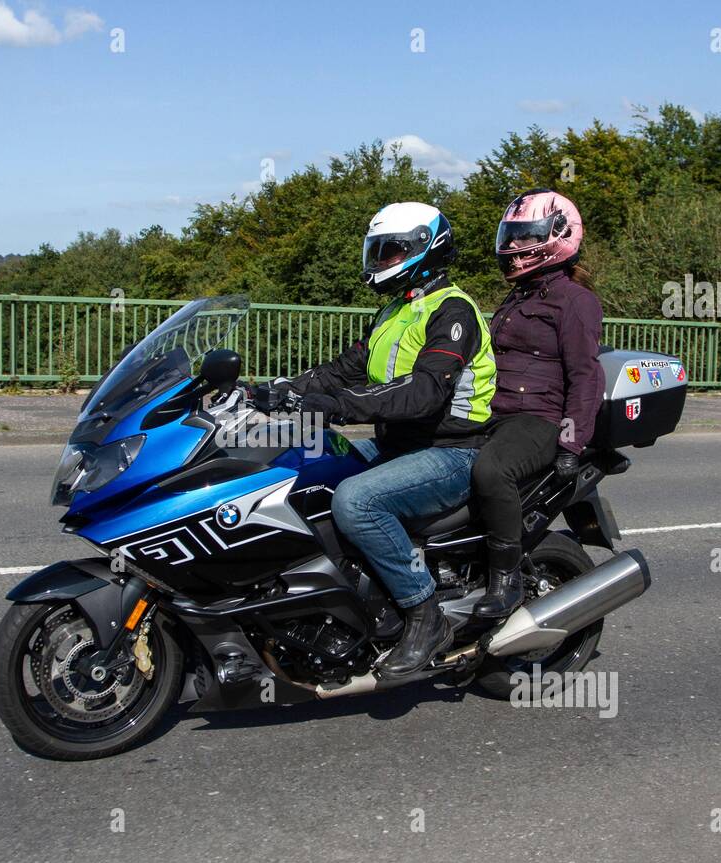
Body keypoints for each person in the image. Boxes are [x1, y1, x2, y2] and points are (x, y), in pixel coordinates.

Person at [254, 202, 496, 678]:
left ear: (426, 250)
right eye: (377, 251)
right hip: (398, 446)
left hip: (450, 451)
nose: (380, 261)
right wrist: (276, 390)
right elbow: (344, 369)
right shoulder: (395, 309)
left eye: (390, 251)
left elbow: (424, 392)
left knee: (356, 500)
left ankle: (425, 617)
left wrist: (339, 405)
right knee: (300, 463)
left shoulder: (453, 311)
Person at [471, 188, 605, 619]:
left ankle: (506, 580)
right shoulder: (521, 296)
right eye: (510, 237)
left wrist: (571, 445)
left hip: (540, 417)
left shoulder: (576, 301)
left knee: (493, 469)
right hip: (497, 412)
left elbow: (586, 374)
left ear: (558, 237)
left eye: (523, 237)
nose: (512, 247)